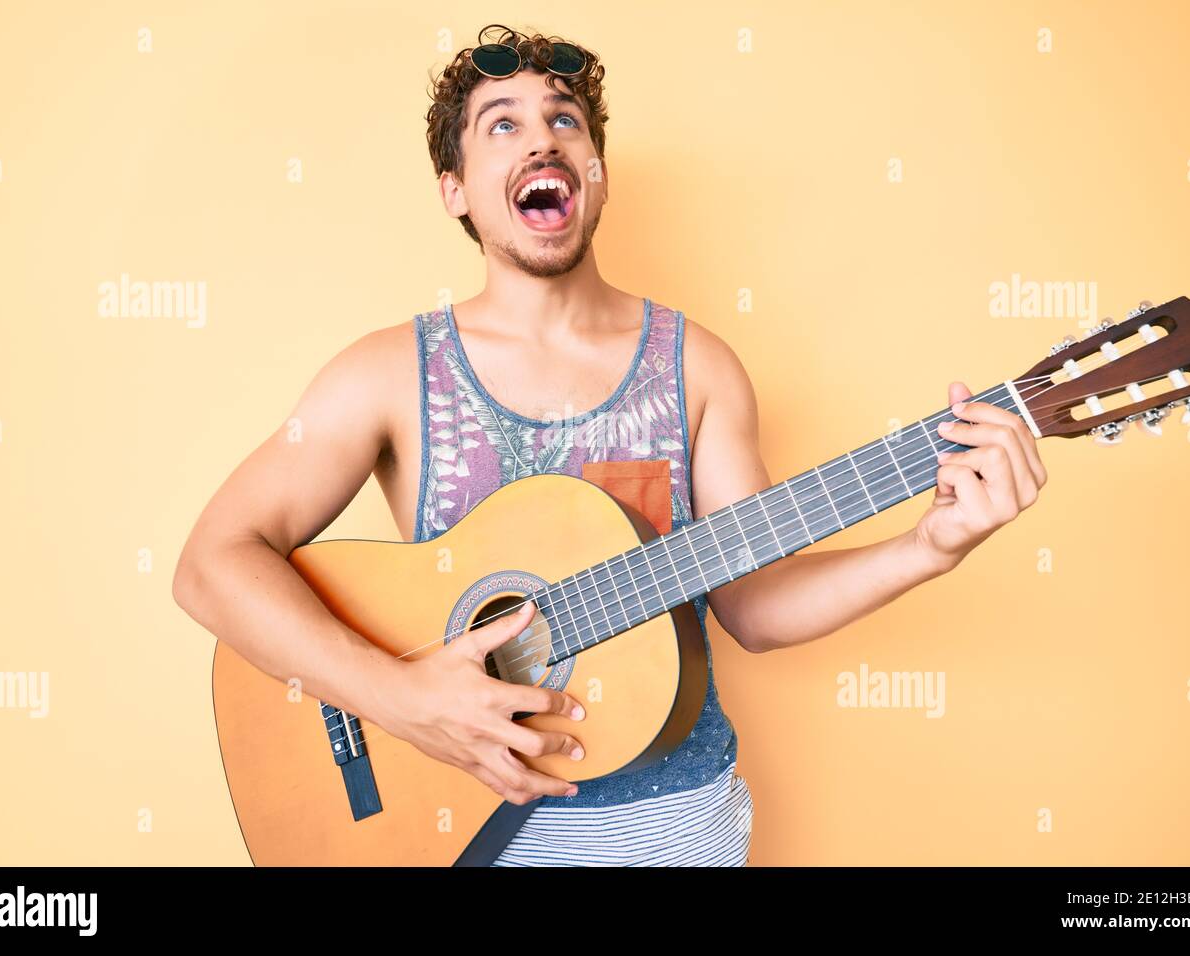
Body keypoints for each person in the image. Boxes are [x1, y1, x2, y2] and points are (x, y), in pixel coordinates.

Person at [172, 23, 1048, 866]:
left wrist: (929, 548)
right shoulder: (387, 374)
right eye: (502, 124)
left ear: (594, 172)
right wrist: (396, 698)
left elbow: (752, 608)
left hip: (677, 832)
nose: (541, 141)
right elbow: (212, 564)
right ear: (455, 188)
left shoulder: (697, 367)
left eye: (565, 121)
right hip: (461, 831)